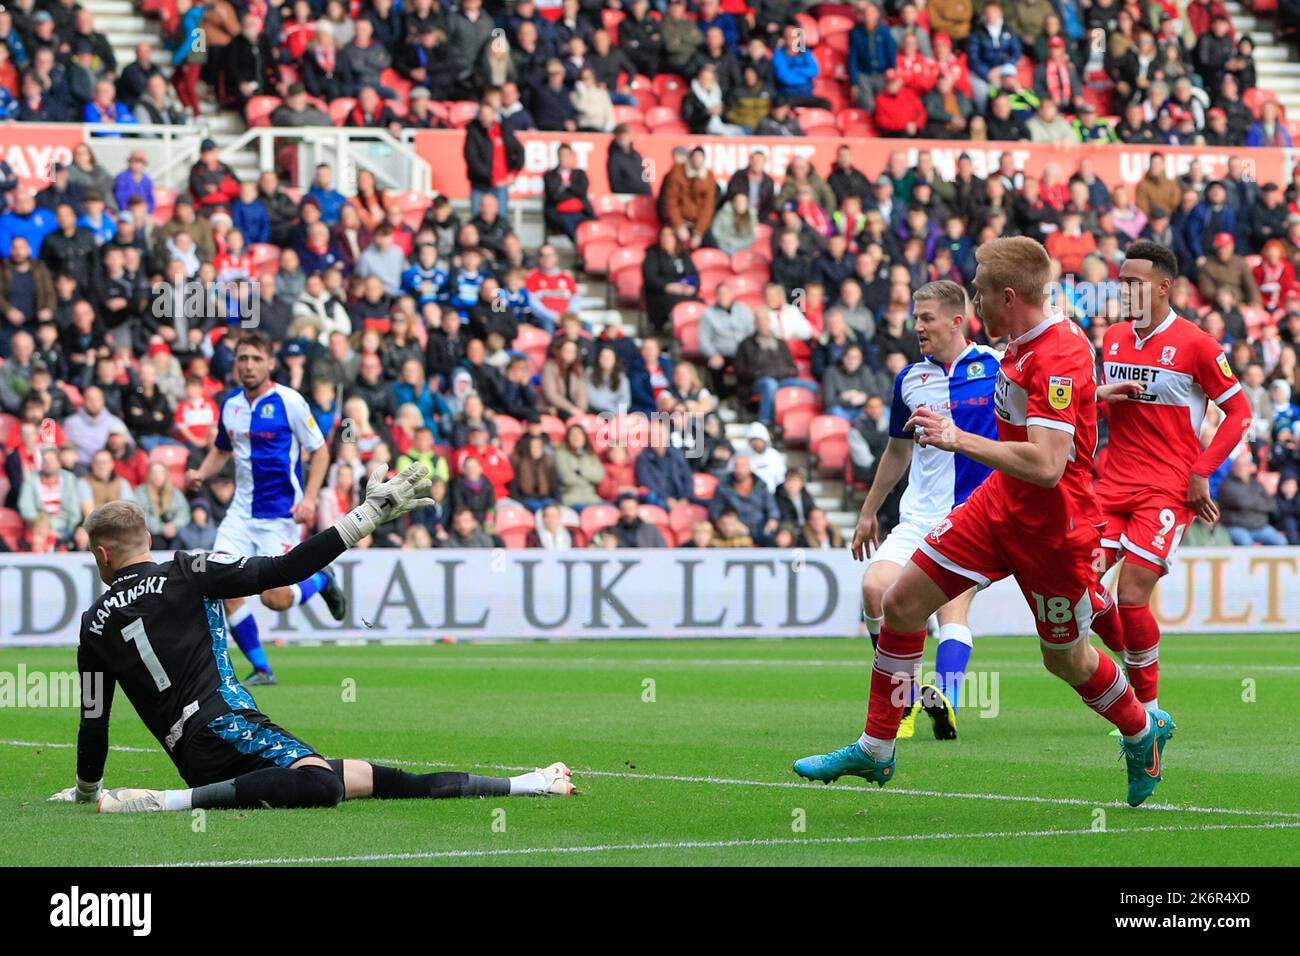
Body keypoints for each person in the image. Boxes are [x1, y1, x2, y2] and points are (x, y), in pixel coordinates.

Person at [794, 237, 1175, 809]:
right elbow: (1052, 411)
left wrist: (956, 438)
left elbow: (1048, 465)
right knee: (899, 603)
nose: (973, 301)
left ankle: (1141, 730)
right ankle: (876, 750)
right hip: (997, 507)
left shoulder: (1056, 352)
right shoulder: (1022, 344)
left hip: (1053, 530)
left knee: (1064, 659)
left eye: (978, 292)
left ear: (1008, 295)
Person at [51, 475, 574, 813]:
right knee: (323, 786)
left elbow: (93, 719)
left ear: (102, 555)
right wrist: (361, 518)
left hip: (195, 749)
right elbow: (285, 569)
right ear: (146, 540)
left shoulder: (93, 623)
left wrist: (86, 791)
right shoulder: (190, 570)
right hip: (226, 724)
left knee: (375, 778)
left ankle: (529, 785)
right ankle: (162, 802)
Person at [1093, 242, 1251, 715]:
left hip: (1165, 486)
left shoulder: (1198, 344)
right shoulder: (1114, 337)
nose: (1124, 290)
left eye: (1133, 282)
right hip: (1111, 483)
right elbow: (1104, 407)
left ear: (1163, 287)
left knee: (1131, 595)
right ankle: (1131, 660)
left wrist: (1203, 471)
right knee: (1081, 586)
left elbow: (1240, 413)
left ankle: (1148, 710)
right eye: (1120, 282)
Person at [844, 281, 999, 738]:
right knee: (875, 589)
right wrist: (869, 512)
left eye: (926, 318)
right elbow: (896, 451)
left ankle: (946, 699)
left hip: (973, 518)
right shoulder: (910, 379)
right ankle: (906, 695)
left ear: (956, 320)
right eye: (915, 318)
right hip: (916, 516)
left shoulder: (996, 367)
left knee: (951, 606)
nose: (918, 327)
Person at [184, 332, 347, 685]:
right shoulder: (231, 405)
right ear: (235, 364)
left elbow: (319, 452)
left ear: (270, 363)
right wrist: (202, 473)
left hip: (280, 516)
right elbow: (221, 450)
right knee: (221, 585)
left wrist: (309, 498)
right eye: (242, 359)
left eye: (256, 359)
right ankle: (262, 669)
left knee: (276, 599)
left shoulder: (290, 402)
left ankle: (321, 579)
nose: (249, 365)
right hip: (240, 514)